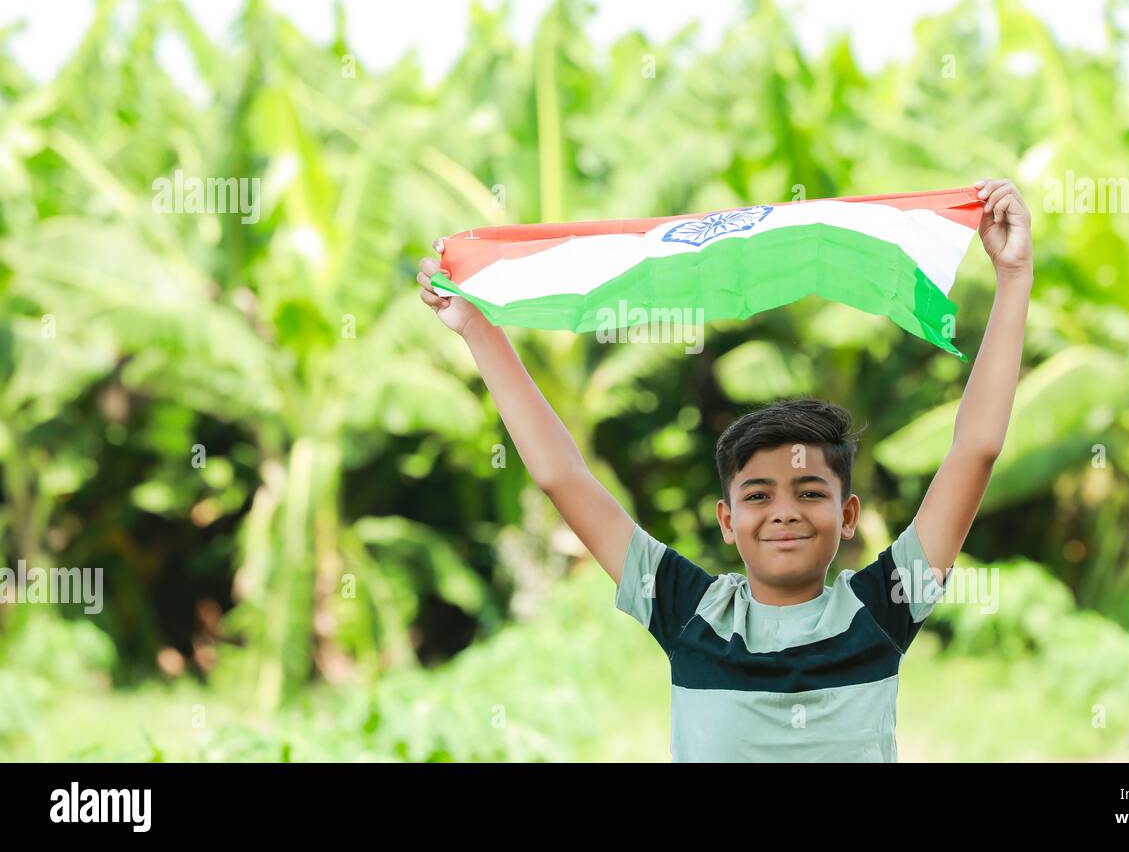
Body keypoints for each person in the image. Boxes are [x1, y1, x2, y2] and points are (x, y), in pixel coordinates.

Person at [415, 178, 1033, 761]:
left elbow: (974, 450)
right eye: (758, 495)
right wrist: (477, 329)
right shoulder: (689, 611)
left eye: (810, 490)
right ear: (727, 520)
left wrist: (1012, 276)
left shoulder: (883, 606)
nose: (784, 511)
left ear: (848, 516)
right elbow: (561, 476)